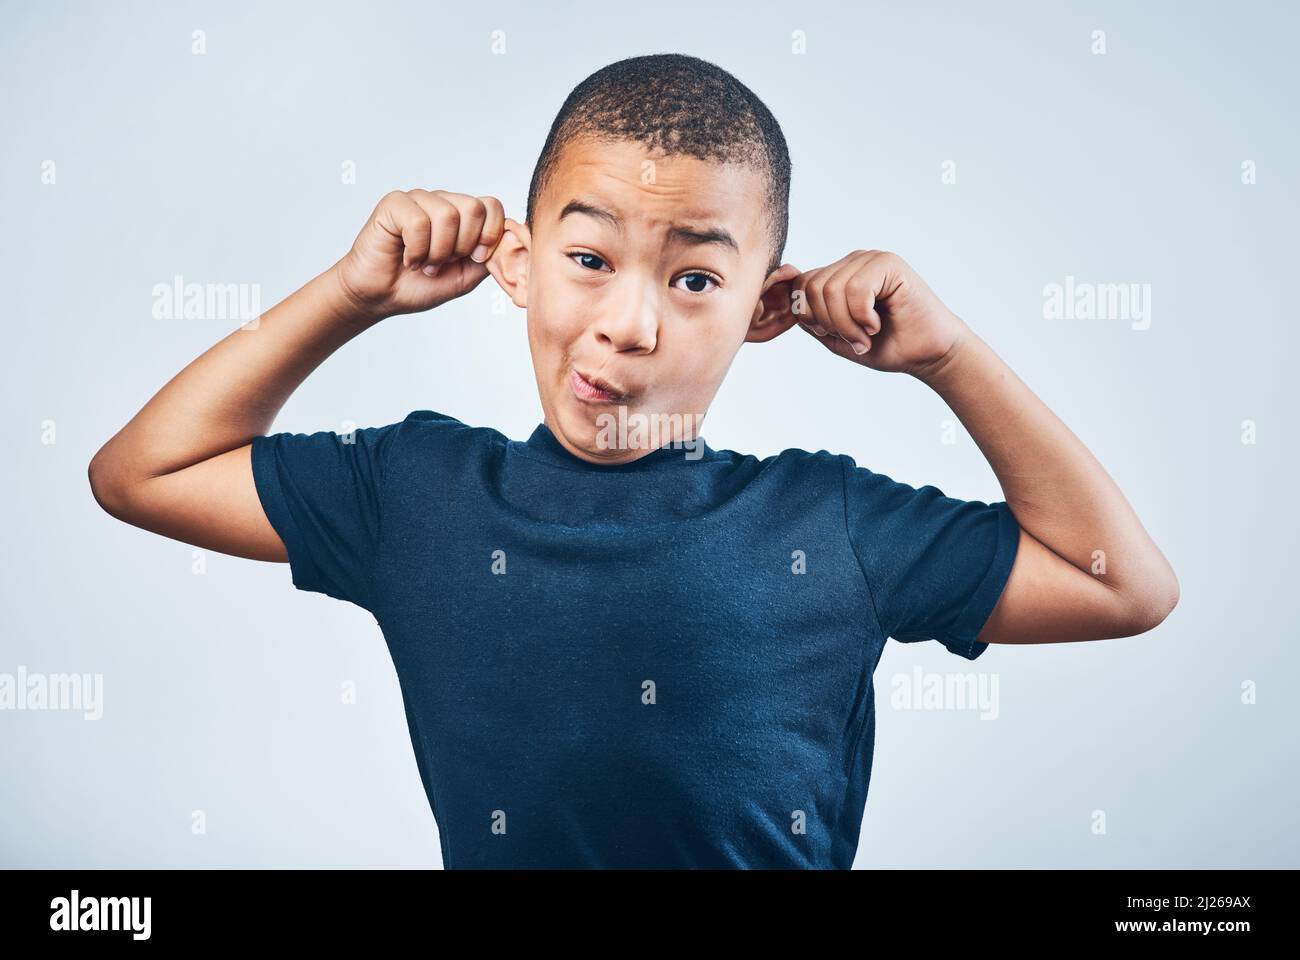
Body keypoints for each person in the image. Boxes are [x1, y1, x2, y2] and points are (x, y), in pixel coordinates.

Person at [87, 53, 1178, 868]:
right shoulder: (412, 493)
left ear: (765, 309)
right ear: (517, 262)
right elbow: (142, 471)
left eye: (695, 280)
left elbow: (1120, 583)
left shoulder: (826, 522)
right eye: (590, 258)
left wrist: (948, 357)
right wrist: (347, 295)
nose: (629, 322)